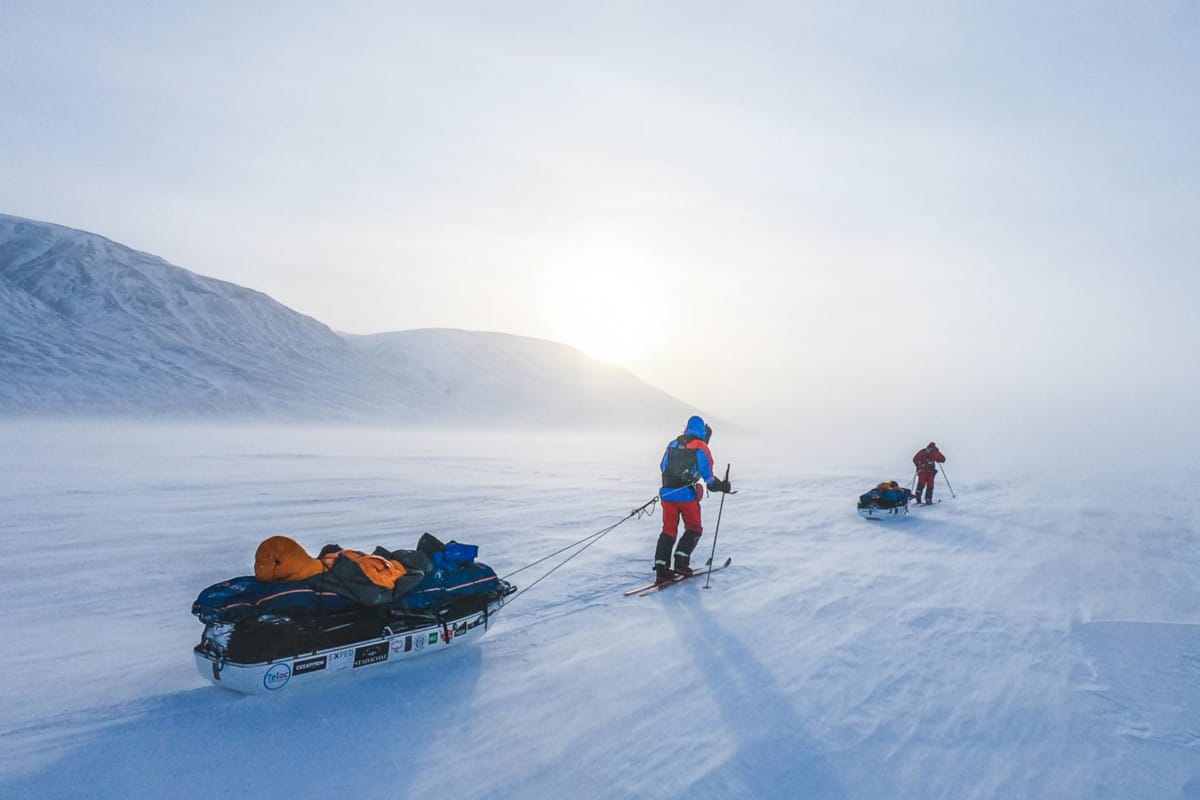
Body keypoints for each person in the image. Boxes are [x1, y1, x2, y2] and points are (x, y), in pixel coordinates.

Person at [654, 415, 732, 584]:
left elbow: (663, 466)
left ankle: (661, 569)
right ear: (703, 432)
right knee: (694, 529)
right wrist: (722, 486)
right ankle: (681, 562)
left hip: (667, 495)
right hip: (686, 496)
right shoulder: (701, 447)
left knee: (668, 531)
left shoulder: (673, 444)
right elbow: (709, 478)